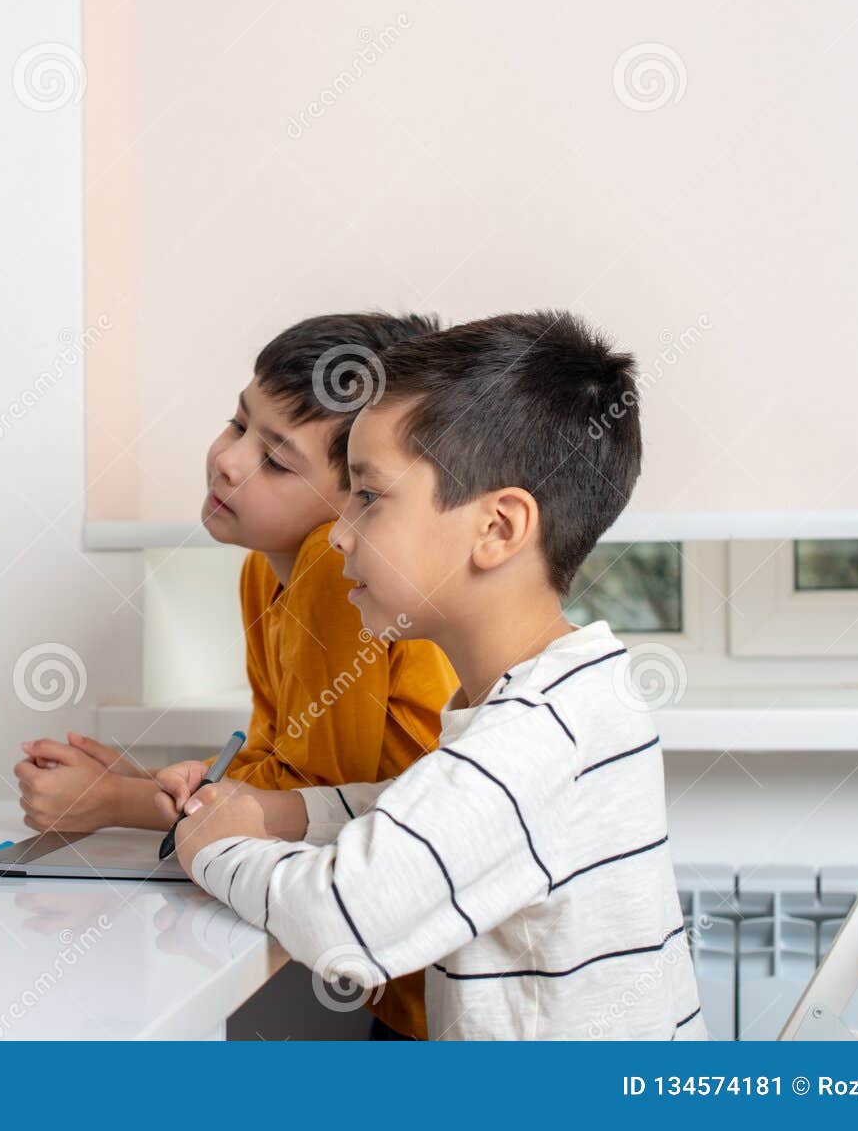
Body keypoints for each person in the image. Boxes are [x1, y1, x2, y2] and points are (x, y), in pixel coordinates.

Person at [166, 310, 706, 1040]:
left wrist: (215, 848)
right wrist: (279, 815)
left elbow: (345, 920)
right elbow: (417, 812)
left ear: (497, 529)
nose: (339, 531)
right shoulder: (566, 690)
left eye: (368, 495)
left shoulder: (537, 735)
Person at [15, 311, 458, 1040]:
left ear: (361, 499)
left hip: (405, 973)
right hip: (363, 949)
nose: (229, 459)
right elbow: (273, 761)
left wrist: (118, 801)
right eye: (238, 423)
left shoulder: (331, 568)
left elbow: (307, 806)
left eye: (278, 462)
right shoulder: (264, 570)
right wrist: (166, 785)